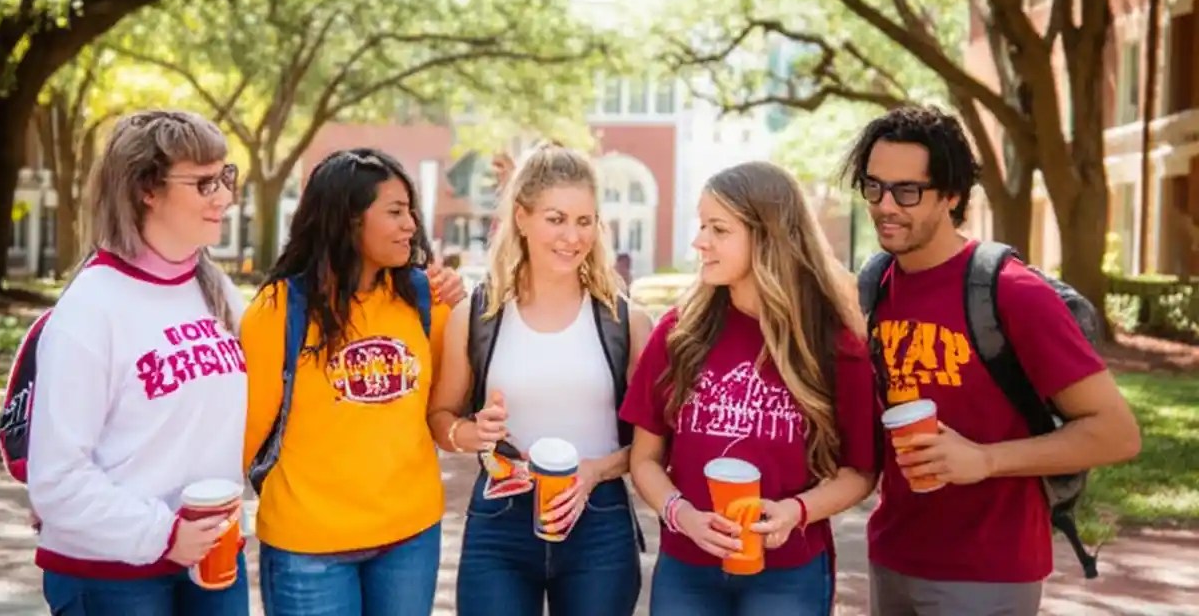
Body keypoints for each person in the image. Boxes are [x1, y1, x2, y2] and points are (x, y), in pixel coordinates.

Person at [844, 105, 1142, 615]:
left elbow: (1117, 432)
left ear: (952, 195)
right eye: (874, 187)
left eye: (907, 191)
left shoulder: (1011, 293)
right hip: (893, 555)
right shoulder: (876, 286)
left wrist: (985, 460)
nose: (885, 206)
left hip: (989, 568)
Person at [619, 160, 878, 616]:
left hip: (789, 575)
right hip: (686, 571)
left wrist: (795, 512)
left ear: (768, 236)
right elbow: (644, 459)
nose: (700, 242)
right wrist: (683, 516)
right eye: (702, 226)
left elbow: (859, 473)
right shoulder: (679, 333)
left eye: (718, 229)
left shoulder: (833, 345)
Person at [26, 110, 250, 614]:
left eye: (226, 177)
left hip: (212, 563)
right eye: (204, 183)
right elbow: (55, 480)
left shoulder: (215, 291)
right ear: (147, 189)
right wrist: (163, 533)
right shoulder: (90, 308)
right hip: (111, 577)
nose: (225, 197)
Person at [428, 144, 654, 616]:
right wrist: (473, 433)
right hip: (500, 523)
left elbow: (654, 446)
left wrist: (595, 471)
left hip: (599, 524)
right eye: (556, 219)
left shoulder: (625, 321)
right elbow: (440, 419)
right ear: (522, 217)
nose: (572, 236)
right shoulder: (477, 316)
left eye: (584, 221)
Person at [240, 147, 465, 616]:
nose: (411, 226)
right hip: (308, 546)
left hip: (409, 537)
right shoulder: (278, 311)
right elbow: (245, 433)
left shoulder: (427, 302)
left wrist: (461, 308)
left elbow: (445, 409)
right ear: (348, 220)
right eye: (395, 212)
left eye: (411, 212)